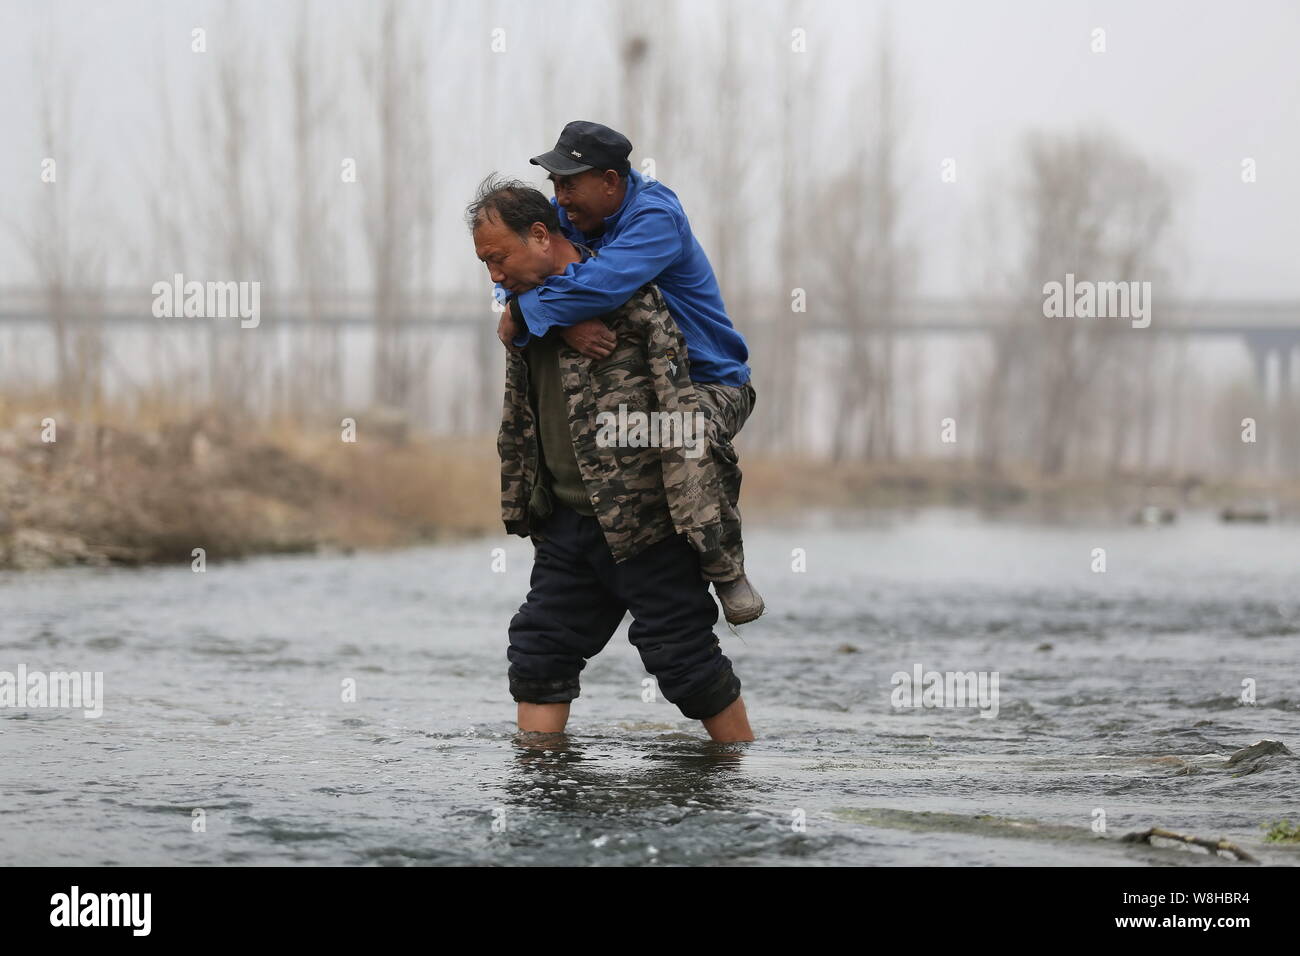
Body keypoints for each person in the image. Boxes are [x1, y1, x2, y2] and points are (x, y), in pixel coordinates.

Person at [468, 174, 755, 743]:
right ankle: (540, 791)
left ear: (542, 236)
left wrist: (705, 530)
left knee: (685, 663)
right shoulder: (523, 309)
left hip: (645, 524)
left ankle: (740, 779)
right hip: (567, 525)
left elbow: (680, 413)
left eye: (498, 259)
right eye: (486, 263)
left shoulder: (635, 299)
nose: (494, 275)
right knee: (538, 654)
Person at [494, 121, 763, 626]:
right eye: (554, 184)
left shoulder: (654, 217)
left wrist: (536, 314)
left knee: (689, 431)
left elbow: (600, 287)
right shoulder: (564, 218)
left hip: (708, 380)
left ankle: (724, 566)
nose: (560, 197)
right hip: (640, 385)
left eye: (570, 183)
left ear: (612, 181)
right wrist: (555, 321)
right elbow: (511, 276)